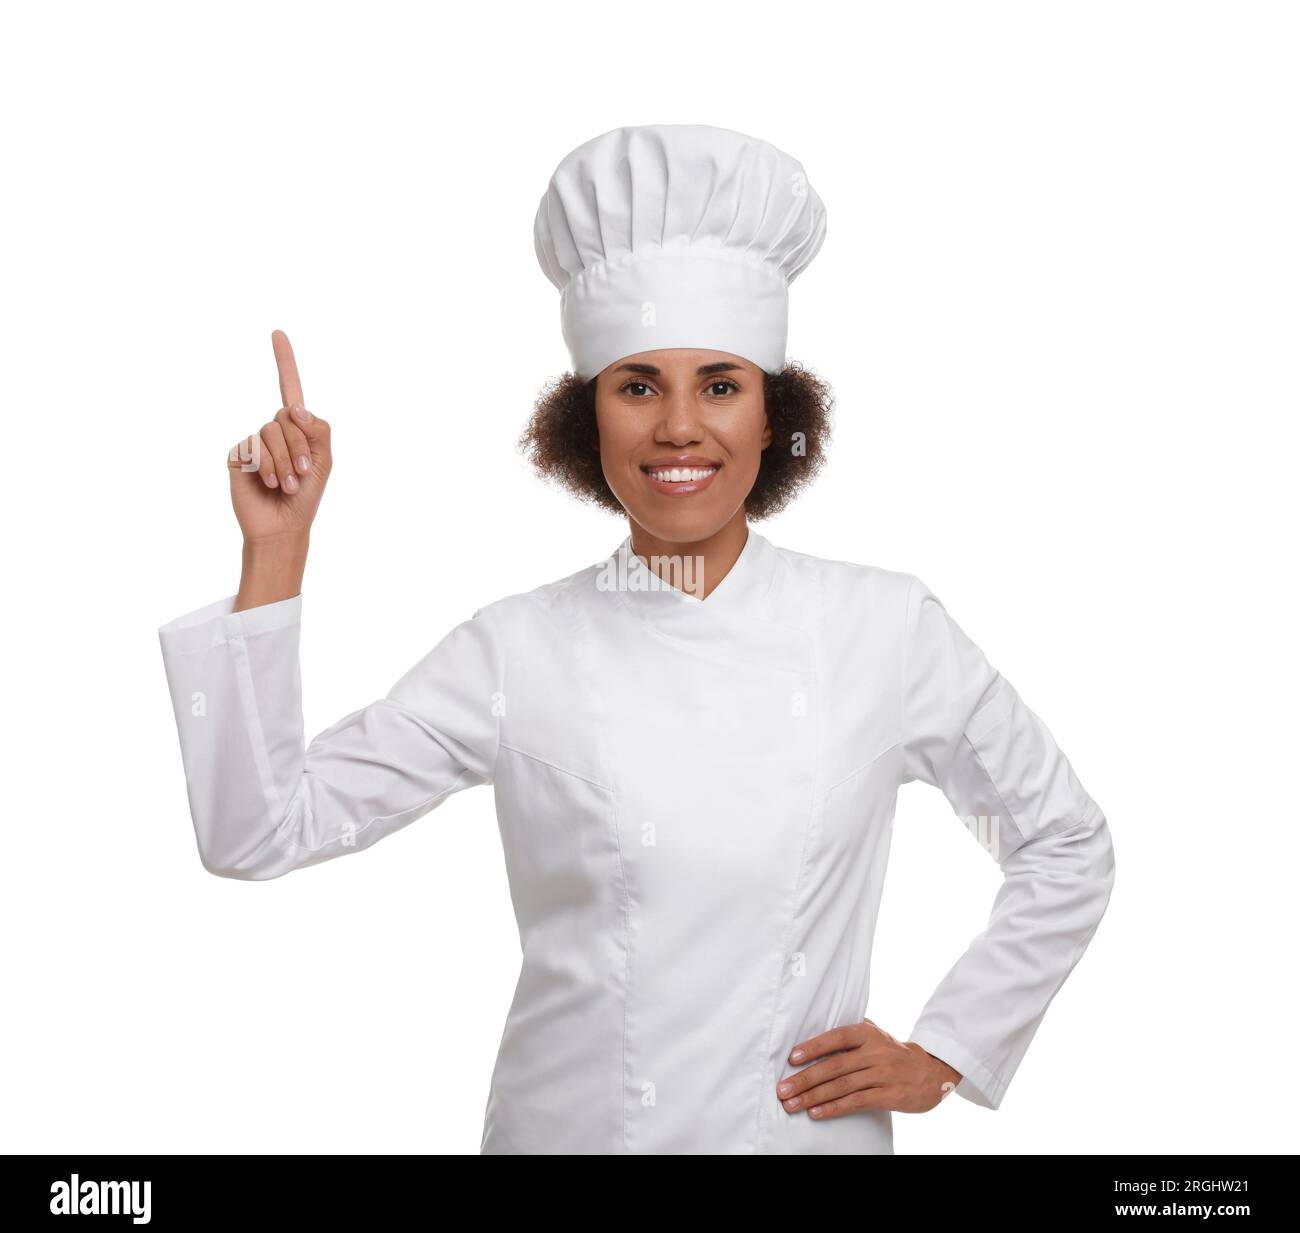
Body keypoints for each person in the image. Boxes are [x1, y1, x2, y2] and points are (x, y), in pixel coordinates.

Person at [157, 124, 1115, 1155]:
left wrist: (949, 1048)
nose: (677, 429)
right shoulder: (514, 649)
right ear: (587, 419)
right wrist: (277, 550)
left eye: (718, 384)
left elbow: (1065, 843)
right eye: (636, 385)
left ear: (769, 414)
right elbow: (258, 833)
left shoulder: (884, 627)